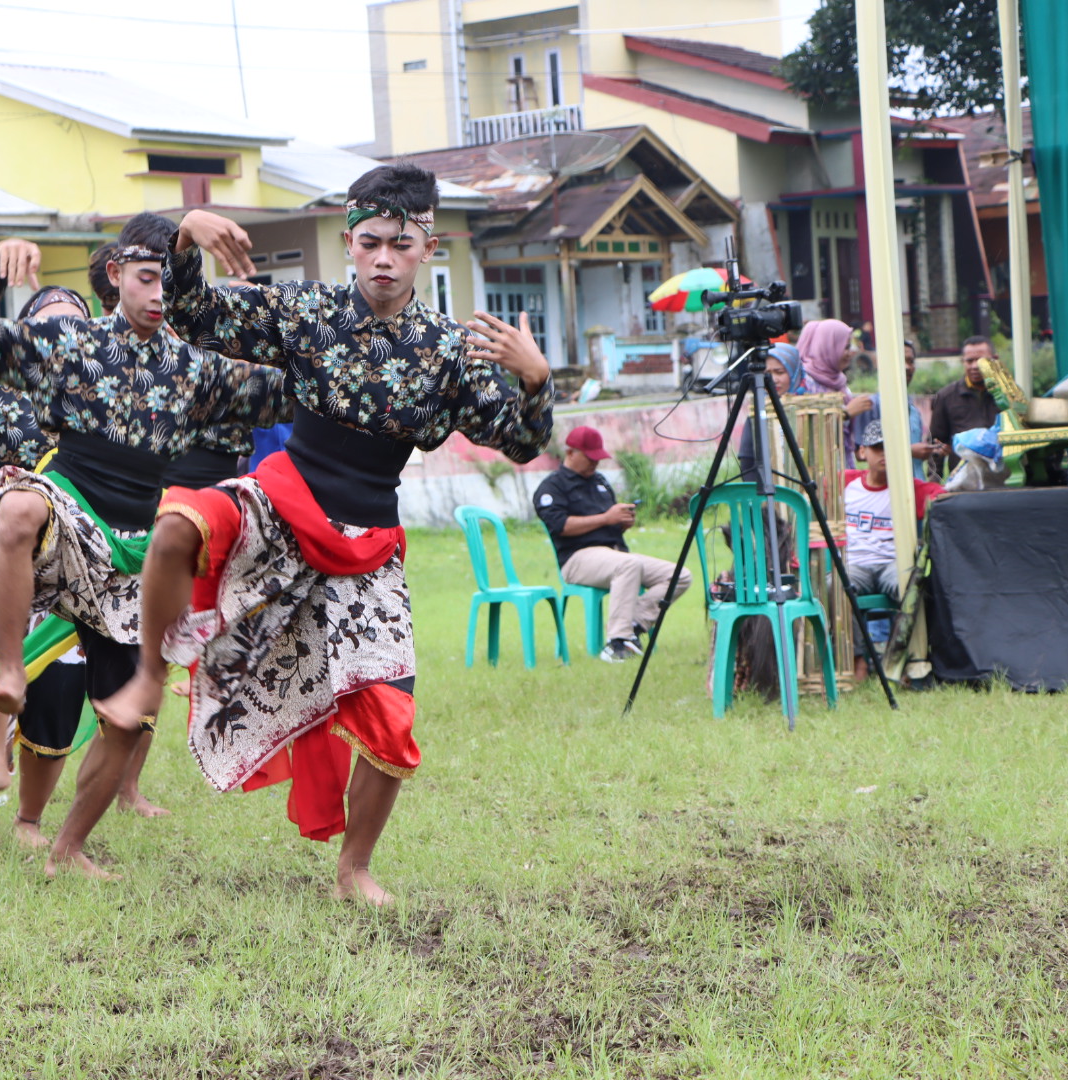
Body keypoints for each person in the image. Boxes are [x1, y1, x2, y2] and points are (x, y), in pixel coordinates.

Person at [96, 164, 553, 905]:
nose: (383, 258)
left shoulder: (448, 349)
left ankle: (355, 868)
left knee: (392, 717)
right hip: (283, 499)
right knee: (179, 523)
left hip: (368, 536)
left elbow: (522, 443)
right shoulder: (304, 311)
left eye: (399, 245)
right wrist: (186, 236)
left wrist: (534, 380)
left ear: (426, 247)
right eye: (369, 242)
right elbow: (197, 314)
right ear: (347, 242)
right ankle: (149, 671)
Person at [0, 211, 287, 880]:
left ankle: (69, 846)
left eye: (167, 281)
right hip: (71, 504)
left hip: (137, 542)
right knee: (21, 506)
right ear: (115, 276)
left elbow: (292, 393)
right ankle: (7, 672)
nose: (158, 294)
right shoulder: (72, 342)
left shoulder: (195, 368)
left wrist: (304, 328)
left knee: (127, 715)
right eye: (145, 278)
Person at [0, 279, 167, 828]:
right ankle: (7, 787)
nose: (60, 332)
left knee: (97, 694)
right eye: (46, 322)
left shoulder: (109, 386)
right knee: (14, 661)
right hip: (19, 546)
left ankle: (68, 813)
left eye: (72, 323)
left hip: (93, 553)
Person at [535, 426, 692, 662]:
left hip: (614, 554)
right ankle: (616, 643)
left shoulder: (599, 481)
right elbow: (560, 526)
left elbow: (606, 520)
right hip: (577, 559)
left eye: (598, 458)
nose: (595, 464)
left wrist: (620, 523)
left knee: (679, 575)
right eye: (590, 458)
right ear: (570, 453)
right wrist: (607, 518)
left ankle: (633, 624)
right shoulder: (552, 487)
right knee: (627, 565)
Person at [842, 419, 947, 679]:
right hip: (854, 565)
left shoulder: (911, 489)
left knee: (914, 588)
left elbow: (945, 497)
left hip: (893, 565)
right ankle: (858, 660)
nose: (885, 455)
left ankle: (904, 661)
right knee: (837, 586)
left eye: (890, 449)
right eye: (878, 448)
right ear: (862, 452)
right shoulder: (843, 483)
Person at [846, 341, 945, 466]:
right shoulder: (871, 405)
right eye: (900, 360)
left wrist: (932, 451)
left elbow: (916, 454)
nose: (907, 367)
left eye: (910, 361)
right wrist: (908, 451)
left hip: (916, 482)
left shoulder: (913, 409)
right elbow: (860, 454)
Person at [928, 335, 1002, 479]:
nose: (975, 366)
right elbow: (936, 443)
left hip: (1002, 476)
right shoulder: (946, 397)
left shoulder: (1008, 395)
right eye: (969, 361)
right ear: (963, 362)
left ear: (995, 359)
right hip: (964, 479)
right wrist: (934, 482)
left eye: (981, 360)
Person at [737, 343, 812, 481]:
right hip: (770, 493)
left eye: (779, 372)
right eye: (766, 374)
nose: (773, 380)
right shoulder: (758, 411)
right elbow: (747, 463)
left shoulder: (811, 409)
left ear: (794, 372)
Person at [797, 318, 853, 395]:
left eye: (849, 347)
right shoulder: (803, 382)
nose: (849, 354)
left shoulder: (839, 381)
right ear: (827, 348)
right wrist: (850, 408)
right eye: (845, 347)